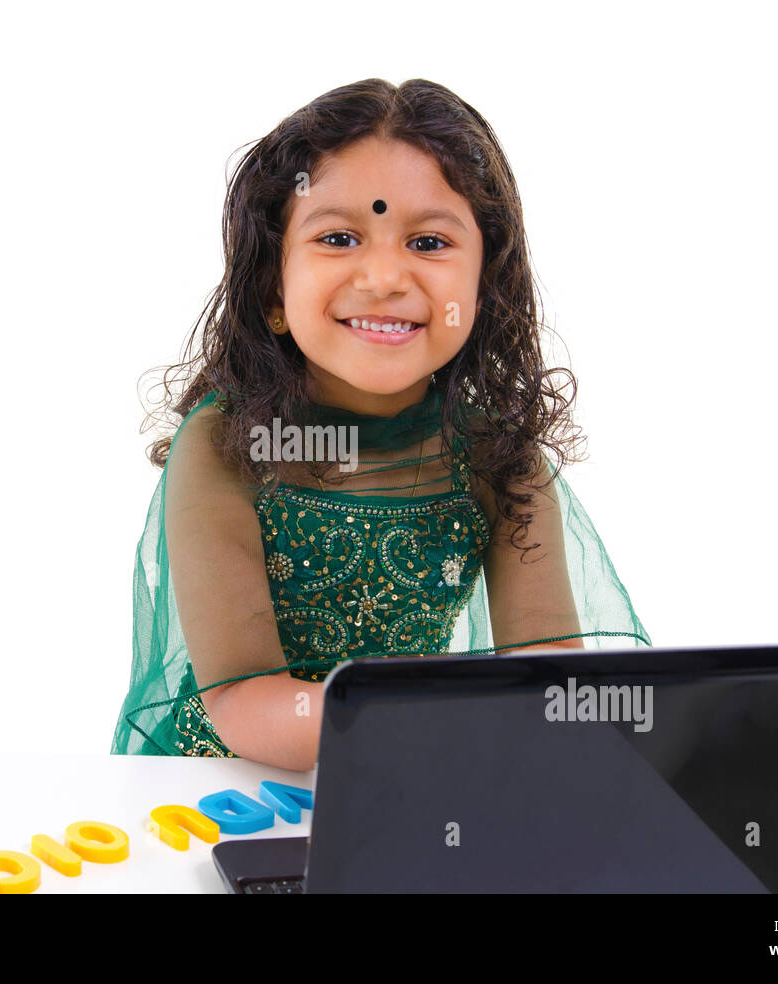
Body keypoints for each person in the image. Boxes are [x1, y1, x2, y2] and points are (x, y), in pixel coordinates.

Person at [111, 78, 651, 770]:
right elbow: (245, 699)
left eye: (428, 242)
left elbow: (549, 678)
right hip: (222, 795)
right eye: (339, 237)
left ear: (484, 290)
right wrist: (434, 723)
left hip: (409, 786)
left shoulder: (498, 455)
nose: (385, 276)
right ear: (274, 287)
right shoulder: (227, 448)